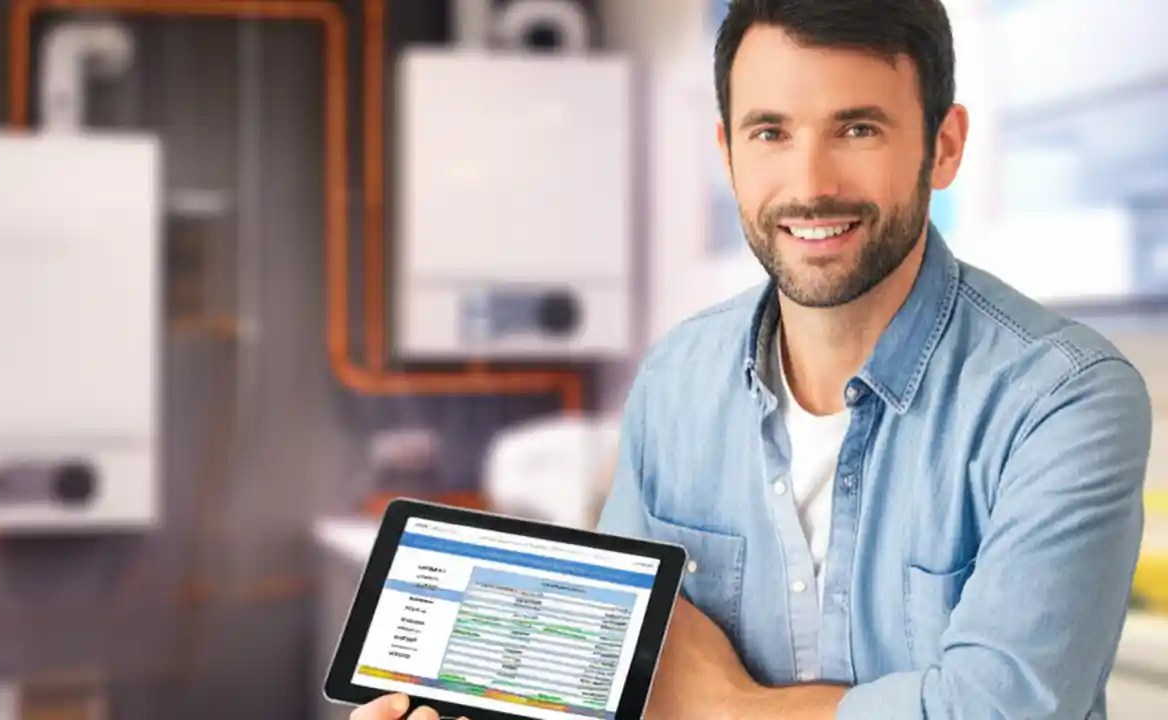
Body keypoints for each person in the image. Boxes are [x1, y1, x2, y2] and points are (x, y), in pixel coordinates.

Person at [352, 0, 1153, 718]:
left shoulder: (1064, 399)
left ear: (943, 148)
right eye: (771, 132)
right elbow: (622, 684)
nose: (810, 183)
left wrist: (727, 705)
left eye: (857, 128)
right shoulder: (676, 380)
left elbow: (996, 714)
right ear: (727, 151)